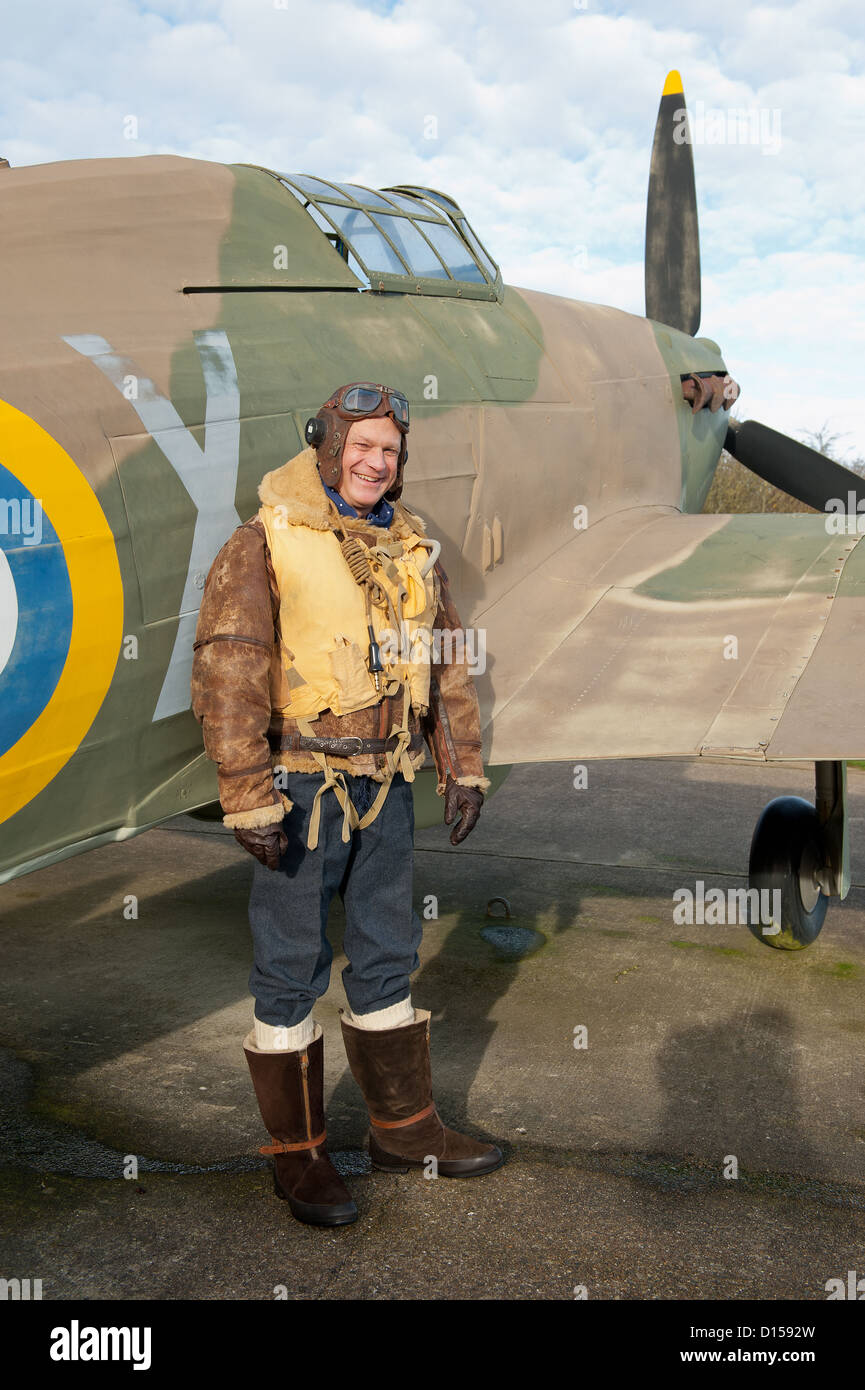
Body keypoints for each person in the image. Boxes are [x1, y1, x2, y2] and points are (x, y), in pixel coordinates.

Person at [190, 382, 504, 1227]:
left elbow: (446, 669)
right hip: (301, 785)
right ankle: (297, 1155)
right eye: (361, 446)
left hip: (387, 783)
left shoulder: (406, 550)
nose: (376, 462)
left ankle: (403, 1129)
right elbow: (230, 669)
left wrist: (463, 766)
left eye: (389, 452)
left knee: (387, 948)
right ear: (326, 448)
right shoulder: (264, 542)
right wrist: (248, 795)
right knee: (288, 961)